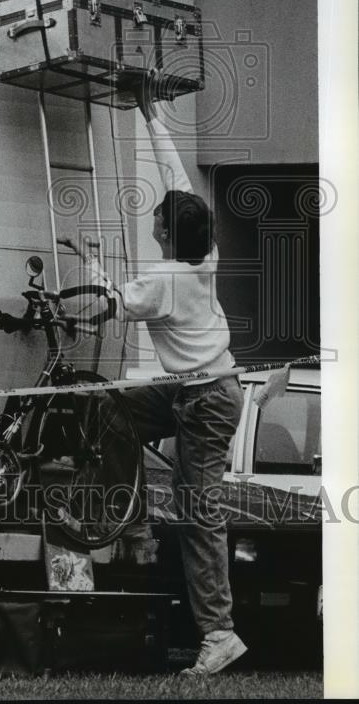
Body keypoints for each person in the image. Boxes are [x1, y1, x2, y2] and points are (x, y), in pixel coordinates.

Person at [64, 95, 247, 676]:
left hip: (207, 402)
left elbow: (109, 308)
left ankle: (219, 635)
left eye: (159, 218)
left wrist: (85, 266)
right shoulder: (205, 254)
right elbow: (178, 177)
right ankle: (131, 512)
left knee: (199, 515)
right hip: (198, 388)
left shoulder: (164, 280)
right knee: (110, 405)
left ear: (168, 231)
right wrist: (151, 117)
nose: (154, 218)